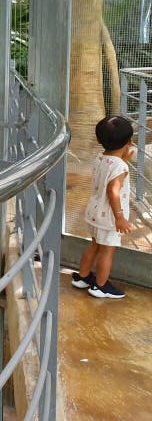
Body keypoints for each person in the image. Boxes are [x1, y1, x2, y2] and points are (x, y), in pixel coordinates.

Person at [72, 116, 135, 299]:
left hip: (94, 212)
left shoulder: (100, 157)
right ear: (129, 142)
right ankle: (100, 286)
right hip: (109, 217)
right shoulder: (121, 167)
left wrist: (124, 159)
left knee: (95, 245)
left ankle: (82, 277)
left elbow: (110, 169)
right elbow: (113, 191)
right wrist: (120, 217)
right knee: (108, 250)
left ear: (99, 140)